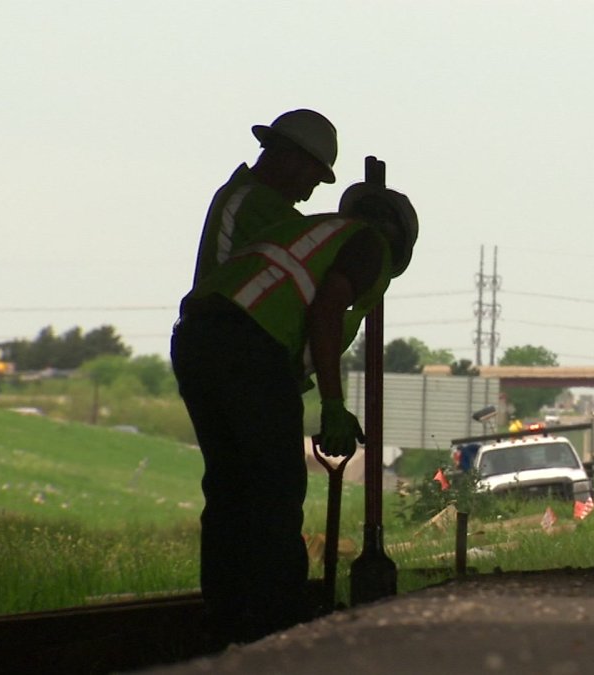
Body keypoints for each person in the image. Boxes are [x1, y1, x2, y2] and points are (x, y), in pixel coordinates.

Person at [171, 180, 417, 646]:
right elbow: (326, 309)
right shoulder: (369, 246)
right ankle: (277, 626)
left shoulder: (311, 232)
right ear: (399, 242)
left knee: (229, 490)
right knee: (275, 489)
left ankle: (226, 621)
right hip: (249, 344)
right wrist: (331, 402)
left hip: (195, 338)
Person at [192, 109, 339, 285]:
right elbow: (320, 246)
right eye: (310, 181)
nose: (306, 196)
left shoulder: (245, 197)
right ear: (290, 158)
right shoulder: (250, 201)